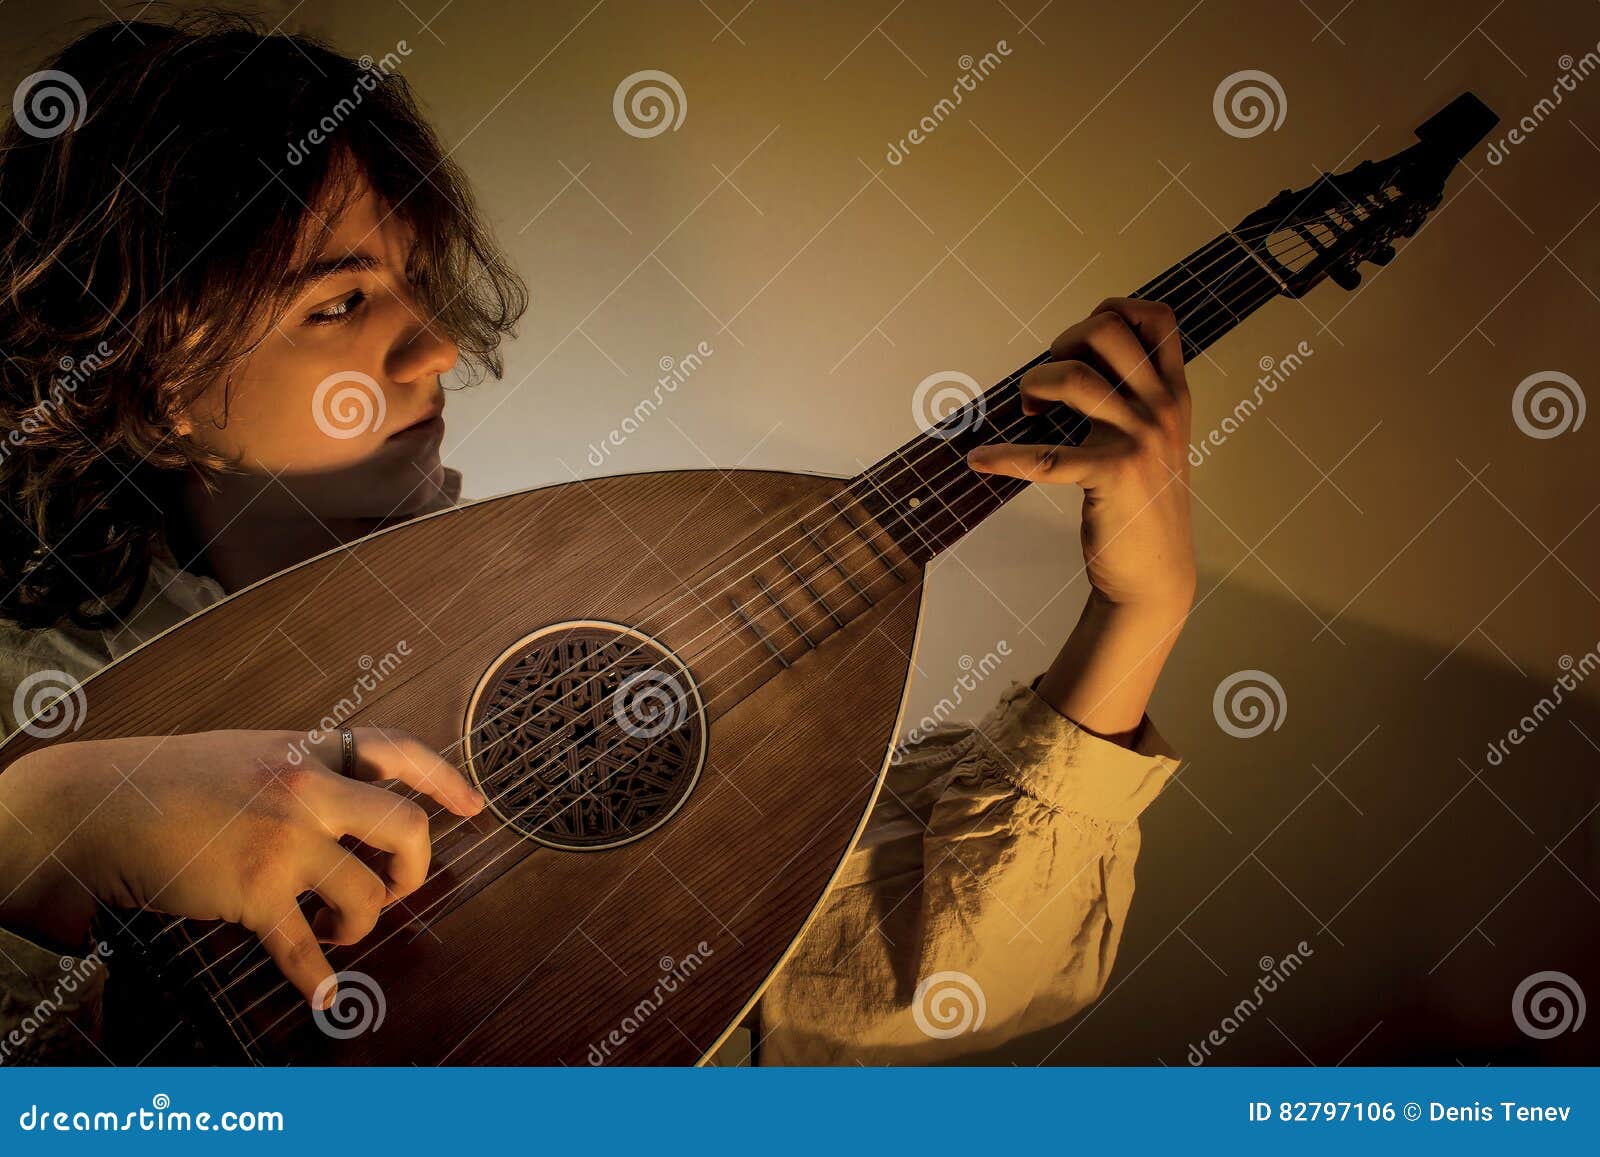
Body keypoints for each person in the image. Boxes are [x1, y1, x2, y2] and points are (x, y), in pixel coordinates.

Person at [0, 12, 1192, 1066]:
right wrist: (40, 823)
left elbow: (895, 971)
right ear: (148, 379)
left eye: (419, 285)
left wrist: (1133, 619)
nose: (437, 352)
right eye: (341, 301)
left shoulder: (544, 643)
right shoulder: (32, 705)